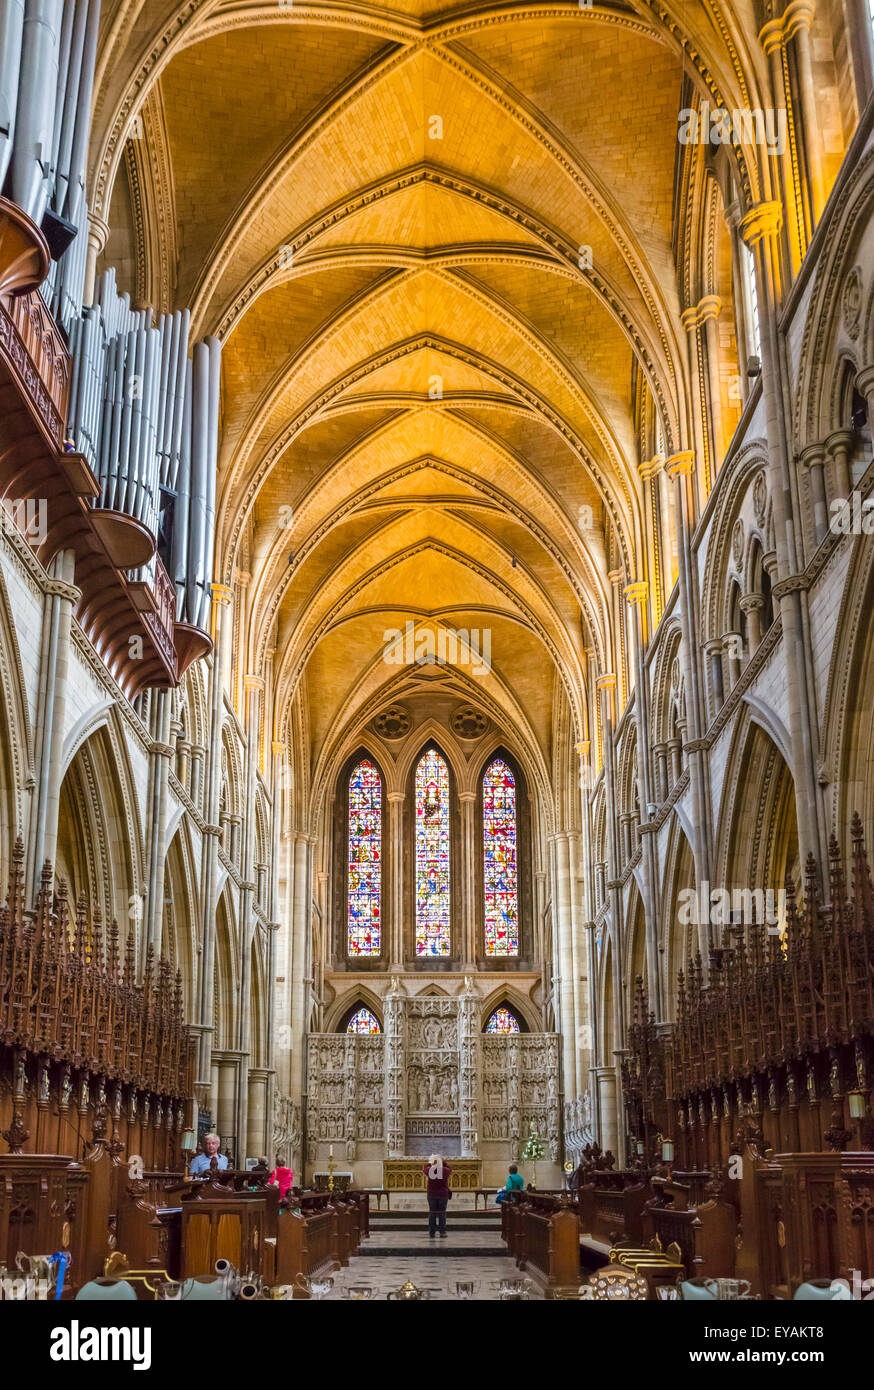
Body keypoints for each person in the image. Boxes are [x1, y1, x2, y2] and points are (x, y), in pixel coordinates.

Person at [423, 1153, 452, 1237]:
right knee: (442, 1213)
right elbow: (450, 1169)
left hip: (432, 1194)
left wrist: (431, 1163)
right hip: (442, 1194)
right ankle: (442, 1232)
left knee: (432, 1213)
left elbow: (424, 1169)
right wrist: (443, 1162)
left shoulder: (429, 1169)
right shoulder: (445, 1170)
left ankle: (432, 1232)